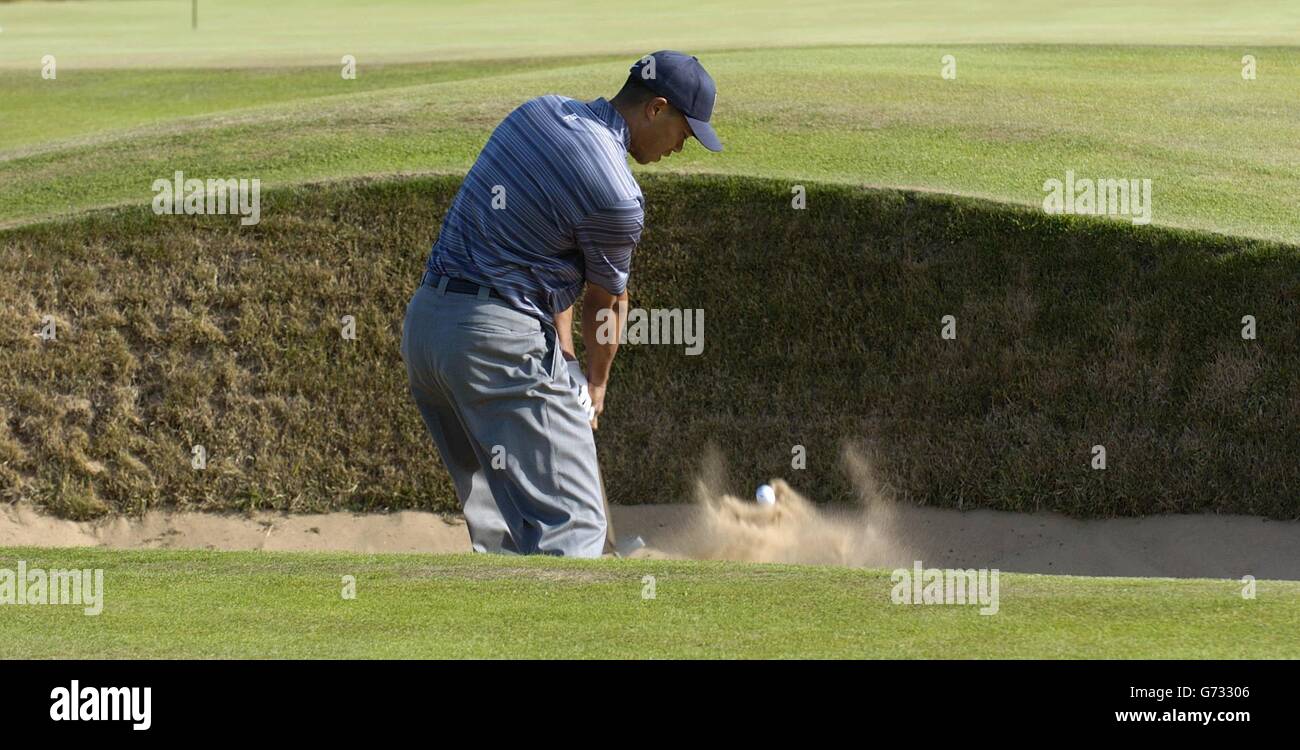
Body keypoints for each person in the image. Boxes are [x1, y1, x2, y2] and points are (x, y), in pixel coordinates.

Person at [401, 50, 722, 556]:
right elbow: (605, 303)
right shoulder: (618, 194)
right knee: (574, 534)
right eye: (686, 132)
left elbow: (548, 262)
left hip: (428, 333)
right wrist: (596, 385)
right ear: (656, 109)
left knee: (504, 536)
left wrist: (567, 360)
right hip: (497, 347)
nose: (683, 147)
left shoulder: (539, 112)